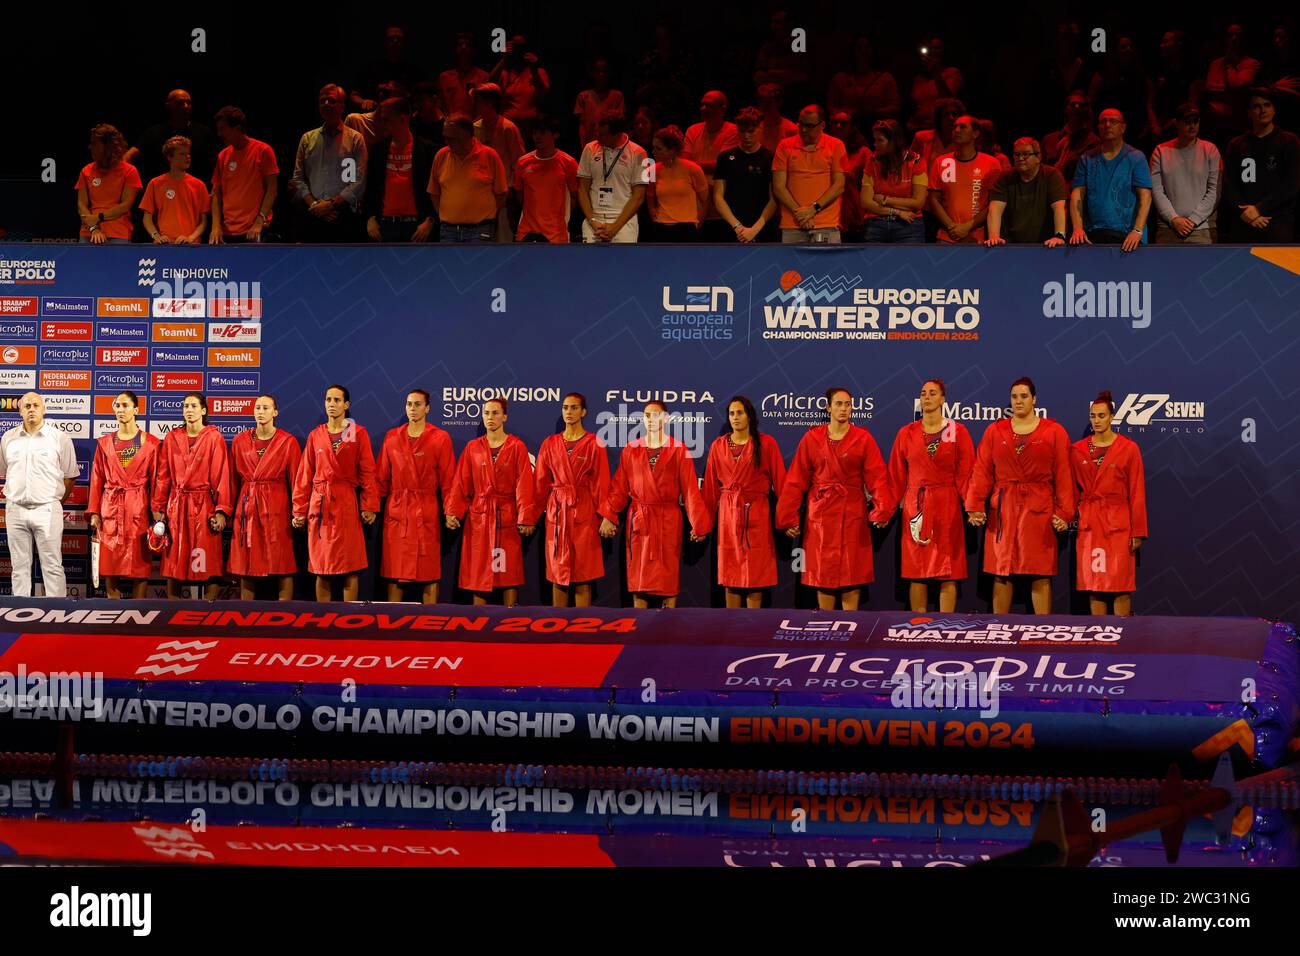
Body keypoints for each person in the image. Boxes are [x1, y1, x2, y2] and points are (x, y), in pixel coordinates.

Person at [775, 387, 895, 610]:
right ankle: (826, 623)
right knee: (823, 572)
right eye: (839, 404)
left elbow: (877, 477)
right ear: (829, 407)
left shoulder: (863, 438)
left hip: (852, 513)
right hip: (820, 515)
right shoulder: (811, 438)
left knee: (852, 572)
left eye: (847, 404)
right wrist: (787, 516)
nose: (843, 409)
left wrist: (882, 509)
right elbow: (795, 480)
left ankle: (850, 625)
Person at [964, 378, 1075, 615]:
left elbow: (1064, 475)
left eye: (1024, 396)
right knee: (1002, 571)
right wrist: (975, 505)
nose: (1019, 401)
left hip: (1039, 507)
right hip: (1004, 508)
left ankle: (1043, 629)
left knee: (1040, 571)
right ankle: (999, 627)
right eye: (1014, 397)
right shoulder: (995, 431)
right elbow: (982, 470)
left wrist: (1064, 512)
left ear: (1034, 399)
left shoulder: (1054, 432)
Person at [599, 401, 711, 608]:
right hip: (639, 520)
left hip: (668, 520)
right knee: (639, 579)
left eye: (656, 415)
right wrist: (609, 516)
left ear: (666, 418)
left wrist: (699, 524)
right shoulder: (631, 449)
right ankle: (639, 627)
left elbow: (690, 491)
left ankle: (668, 629)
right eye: (647, 416)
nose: (651, 420)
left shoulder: (678, 449)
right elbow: (619, 489)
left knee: (668, 578)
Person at [887, 379, 974, 613]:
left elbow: (965, 475)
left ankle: (945, 629)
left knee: (949, 570)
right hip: (916, 508)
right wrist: (884, 510)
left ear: (943, 399)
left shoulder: (956, 432)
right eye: (923, 393)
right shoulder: (906, 433)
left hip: (948, 506)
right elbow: (895, 477)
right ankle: (918, 626)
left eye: (932, 393)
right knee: (917, 568)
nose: (927, 397)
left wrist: (973, 507)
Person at [444, 397, 538, 606]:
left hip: (506, 517)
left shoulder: (517, 447)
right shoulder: (472, 447)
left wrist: (526, 518)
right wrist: (453, 512)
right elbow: (461, 483)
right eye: (486, 413)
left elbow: (524, 485)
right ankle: (479, 621)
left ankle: (509, 619)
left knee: (508, 574)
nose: (490, 418)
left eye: (495, 413)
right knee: (479, 573)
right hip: (479, 518)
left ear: (505, 416)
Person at [291, 385, 379, 602]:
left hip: (346, 504)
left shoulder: (358, 433)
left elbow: (368, 472)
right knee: (322, 567)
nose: (332, 404)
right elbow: (305, 474)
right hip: (320, 504)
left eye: (337, 400)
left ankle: (351, 617)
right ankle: (324, 617)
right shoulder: (316, 435)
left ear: (346, 405)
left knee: (350, 567)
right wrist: (299, 510)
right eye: (329, 400)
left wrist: (369, 505)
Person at [702, 396, 786, 608]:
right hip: (728, 516)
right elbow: (710, 489)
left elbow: (782, 485)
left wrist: (788, 520)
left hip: (756, 513)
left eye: (740, 413)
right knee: (730, 574)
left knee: (755, 575)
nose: (735, 417)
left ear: (749, 415)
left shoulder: (766, 444)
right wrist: (702, 524)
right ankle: (733, 626)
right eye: (731, 413)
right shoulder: (718, 446)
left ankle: (753, 623)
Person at [1070, 390, 1147, 617]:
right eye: (1093, 416)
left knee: (1120, 585)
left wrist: (1138, 531)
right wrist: (1066, 516)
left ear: (1112, 417)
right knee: (1095, 586)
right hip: (1090, 524)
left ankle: (1121, 636)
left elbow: (1137, 492)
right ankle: (1099, 635)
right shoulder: (1077, 450)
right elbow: (1071, 490)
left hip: (1118, 524)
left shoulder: (1129, 448)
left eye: (1101, 416)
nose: (1096, 420)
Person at [377, 389, 456, 604]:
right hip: (397, 510)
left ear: (427, 408)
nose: (413, 409)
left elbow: (449, 480)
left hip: (426, 508)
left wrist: (451, 512)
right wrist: (371, 507)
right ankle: (392, 621)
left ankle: (431, 621)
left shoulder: (440, 438)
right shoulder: (392, 437)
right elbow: (381, 477)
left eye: (418, 404)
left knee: (429, 571)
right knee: (395, 571)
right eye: (409, 404)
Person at [150, 392, 232, 600]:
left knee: (207, 561)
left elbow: (222, 476)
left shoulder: (214, 438)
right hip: (177, 505)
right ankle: (173, 611)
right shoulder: (172, 437)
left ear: (203, 411)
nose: (189, 410)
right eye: (186, 406)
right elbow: (163, 475)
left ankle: (208, 609)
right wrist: (158, 508)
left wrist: (221, 511)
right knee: (174, 562)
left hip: (204, 505)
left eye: (194, 406)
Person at [534, 392, 610, 607]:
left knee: (582, 574)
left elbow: (601, 484)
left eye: (574, 408)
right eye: (566, 407)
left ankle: (582, 626)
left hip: (583, 511)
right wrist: (528, 517)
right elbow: (539, 484)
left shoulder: (594, 443)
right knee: (558, 572)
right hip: (557, 512)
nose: (569, 412)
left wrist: (606, 516)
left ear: (583, 412)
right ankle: (558, 625)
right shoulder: (549, 443)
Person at [0, 393, 78, 597]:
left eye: (36, 405)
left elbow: (70, 476)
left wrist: (53, 501)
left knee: (52, 566)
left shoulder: (60, 438)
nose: (31, 409)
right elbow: (4, 471)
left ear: (44, 409)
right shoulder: (8, 438)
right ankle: (20, 615)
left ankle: (57, 613)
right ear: (20, 411)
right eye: (27, 406)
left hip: (47, 509)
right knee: (19, 568)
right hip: (15, 509)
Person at [87, 391, 160, 599]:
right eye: (117, 405)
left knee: (140, 564)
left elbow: (157, 481)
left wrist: (157, 511)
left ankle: (139, 611)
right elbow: (97, 479)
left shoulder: (151, 443)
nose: (120, 409)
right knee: (110, 565)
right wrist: (94, 512)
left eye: (125, 405)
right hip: (110, 507)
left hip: (138, 508)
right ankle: (113, 610)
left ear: (136, 410)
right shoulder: (105, 443)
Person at [229, 394, 301, 602]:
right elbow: (231, 480)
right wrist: (226, 509)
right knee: (246, 563)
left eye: (266, 408)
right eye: (258, 408)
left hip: (277, 506)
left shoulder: (288, 442)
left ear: (275, 413)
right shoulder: (240, 440)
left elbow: (297, 480)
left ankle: (284, 613)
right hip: (247, 506)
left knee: (282, 562)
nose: (260, 411)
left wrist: (299, 511)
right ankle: (245, 614)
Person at [290, 84, 367, 243]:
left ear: (342, 106)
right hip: (312, 215)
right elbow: (298, 178)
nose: (326, 104)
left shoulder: (354, 139)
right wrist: (315, 205)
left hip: (342, 216)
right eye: (322, 100)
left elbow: (356, 180)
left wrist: (331, 205)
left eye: (331, 100)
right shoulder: (307, 139)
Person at [1221, 88, 1300, 243]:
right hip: (1244, 222)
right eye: (1256, 106)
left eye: (1267, 105)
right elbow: (1228, 184)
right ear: (1249, 112)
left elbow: (1292, 184)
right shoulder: (1237, 144)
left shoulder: (1289, 141)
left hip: (1277, 223)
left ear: (1274, 109)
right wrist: (1245, 213)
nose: (1262, 110)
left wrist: (1259, 209)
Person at [1069, 109, 1153, 251]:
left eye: (1113, 121)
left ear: (1123, 127)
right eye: (1103, 121)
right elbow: (1077, 194)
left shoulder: (1136, 157)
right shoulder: (1087, 158)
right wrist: (1077, 228)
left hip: (1128, 237)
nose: (1107, 125)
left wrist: (1137, 230)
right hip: (1094, 235)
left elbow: (1146, 197)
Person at [364, 97, 436, 243]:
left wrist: (430, 220)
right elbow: (370, 188)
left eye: (387, 120)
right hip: (384, 226)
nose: (382, 123)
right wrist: (370, 218)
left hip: (418, 226)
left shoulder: (428, 150)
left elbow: (437, 190)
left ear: (403, 119)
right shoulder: (378, 150)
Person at [772, 104, 847, 243]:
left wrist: (813, 209)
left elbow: (839, 185)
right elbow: (778, 186)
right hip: (792, 224)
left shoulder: (836, 145)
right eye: (801, 124)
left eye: (810, 126)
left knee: (827, 265)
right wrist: (801, 214)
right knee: (791, 265)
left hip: (826, 224)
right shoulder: (784, 146)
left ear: (822, 125)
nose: (804, 129)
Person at [428, 113, 508, 243]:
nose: (446, 142)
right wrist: (446, 215)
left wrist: (485, 216)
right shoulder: (441, 156)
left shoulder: (489, 155)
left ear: (465, 135)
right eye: (445, 137)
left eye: (451, 138)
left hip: (481, 229)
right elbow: (434, 193)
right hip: (448, 230)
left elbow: (501, 194)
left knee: (479, 263)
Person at [1149, 104, 1221, 244]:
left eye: (1196, 121)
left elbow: (1214, 191)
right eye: (1187, 122)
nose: (1192, 126)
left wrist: (1193, 220)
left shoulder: (1210, 150)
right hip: (1168, 228)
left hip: (1201, 228)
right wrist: (1173, 219)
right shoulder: (1161, 151)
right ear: (1176, 123)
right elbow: (1156, 191)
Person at [123, 89, 219, 189]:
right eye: (180, 103)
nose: (186, 106)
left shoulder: (203, 133)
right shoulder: (154, 133)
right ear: (168, 106)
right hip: (162, 193)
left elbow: (218, 165)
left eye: (189, 103)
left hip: (194, 192)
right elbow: (131, 156)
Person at [577, 110, 648, 243]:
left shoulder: (640, 153)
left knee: (623, 263)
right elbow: (582, 188)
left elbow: (639, 196)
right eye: (597, 132)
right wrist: (592, 220)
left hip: (624, 223)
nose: (597, 137)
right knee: (590, 263)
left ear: (617, 134)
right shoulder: (589, 148)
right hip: (594, 221)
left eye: (602, 135)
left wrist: (615, 227)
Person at [209, 106, 278, 244]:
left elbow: (272, 190)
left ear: (237, 128)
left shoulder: (262, 151)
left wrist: (259, 221)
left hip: (254, 230)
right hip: (228, 231)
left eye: (223, 129)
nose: (219, 134)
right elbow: (216, 194)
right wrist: (216, 226)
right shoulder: (223, 156)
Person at [928, 115, 999, 244]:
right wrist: (952, 227)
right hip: (946, 235)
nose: (956, 130)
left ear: (975, 133)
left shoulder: (991, 164)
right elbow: (933, 199)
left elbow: (994, 203)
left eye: (963, 127)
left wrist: (967, 227)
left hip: (978, 237)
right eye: (954, 127)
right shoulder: (942, 162)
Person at [985, 137, 1068, 246]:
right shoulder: (1005, 177)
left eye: (1025, 154)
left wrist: (1059, 236)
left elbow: (1059, 207)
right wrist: (994, 237)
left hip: (1045, 245)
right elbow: (995, 210)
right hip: (1010, 245)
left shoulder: (1052, 175)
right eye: (1017, 154)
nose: (1020, 158)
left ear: (1038, 157)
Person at [713, 107, 779, 242]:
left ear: (760, 128)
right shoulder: (725, 157)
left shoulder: (770, 158)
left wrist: (755, 229)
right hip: (732, 228)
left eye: (751, 131)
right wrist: (738, 227)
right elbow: (718, 196)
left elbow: (774, 198)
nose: (746, 136)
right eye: (742, 131)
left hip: (763, 228)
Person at [472, 82, 527, 242]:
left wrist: (514, 190)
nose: (475, 105)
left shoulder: (507, 128)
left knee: (503, 235)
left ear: (490, 103)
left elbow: (519, 162)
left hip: (504, 192)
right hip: (480, 191)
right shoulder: (474, 128)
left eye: (478, 101)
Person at [682, 91, 740, 239]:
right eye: (702, 104)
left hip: (721, 207)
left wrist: (694, 166)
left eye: (710, 105)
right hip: (694, 205)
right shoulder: (693, 130)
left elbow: (722, 165)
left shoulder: (733, 131)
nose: (704, 108)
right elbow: (684, 163)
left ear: (723, 108)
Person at [514, 114, 579, 242]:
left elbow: (574, 197)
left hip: (557, 235)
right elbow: (519, 197)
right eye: (535, 133)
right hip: (527, 232)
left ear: (555, 135)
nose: (537, 137)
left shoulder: (568, 163)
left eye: (542, 132)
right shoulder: (522, 163)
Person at [860, 119, 927, 243]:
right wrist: (897, 211)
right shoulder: (873, 161)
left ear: (894, 141)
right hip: (876, 224)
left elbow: (918, 202)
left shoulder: (916, 161)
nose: (875, 144)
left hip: (909, 225)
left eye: (880, 140)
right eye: (875, 140)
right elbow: (866, 202)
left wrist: (885, 200)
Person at [1088, 34, 1158, 148]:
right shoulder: (1103, 74)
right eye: (1123, 47)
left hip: (1135, 133)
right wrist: (1091, 131)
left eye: (1130, 46)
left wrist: (1148, 127)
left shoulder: (1142, 75)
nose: (1128, 49)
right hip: (1107, 131)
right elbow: (1090, 102)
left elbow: (1149, 104)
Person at [140, 136, 211, 244]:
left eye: (188, 154)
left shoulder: (199, 185)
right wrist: (156, 236)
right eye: (182, 154)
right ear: (170, 157)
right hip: (165, 246)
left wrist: (190, 238)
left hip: (191, 247)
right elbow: (147, 218)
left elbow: (203, 222)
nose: (187, 157)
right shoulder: (155, 183)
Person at [77, 125, 140, 244]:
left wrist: (98, 218)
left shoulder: (130, 171)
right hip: (89, 232)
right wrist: (94, 228)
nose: (90, 147)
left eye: (94, 143)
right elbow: (81, 205)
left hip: (118, 232)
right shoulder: (86, 171)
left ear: (108, 146)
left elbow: (125, 206)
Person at [646, 125, 707, 241]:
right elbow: (649, 196)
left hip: (687, 227)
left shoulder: (693, 169)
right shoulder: (652, 170)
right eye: (653, 147)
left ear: (672, 150)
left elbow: (704, 201)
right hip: (661, 227)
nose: (653, 152)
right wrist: (654, 215)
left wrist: (697, 224)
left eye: (658, 149)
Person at [1205, 24, 1262, 145]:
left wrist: (1230, 64)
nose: (1234, 39)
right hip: (1214, 127)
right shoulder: (1215, 64)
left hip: (1237, 126)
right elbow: (1209, 89)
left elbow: (1237, 86)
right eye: (1230, 35)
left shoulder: (1251, 63)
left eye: (1238, 35)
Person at [351, 24, 423, 114]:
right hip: (376, 117)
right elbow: (354, 95)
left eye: (399, 38)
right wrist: (363, 102)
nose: (395, 41)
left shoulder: (413, 71)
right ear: (385, 42)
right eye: (391, 38)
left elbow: (422, 98)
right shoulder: (371, 68)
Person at [827, 35, 900, 123]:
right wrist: (848, 113)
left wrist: (874, 113)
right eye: (858, 47)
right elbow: (831, 106)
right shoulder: (840, 78)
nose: (863, 51)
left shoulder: (885, 78)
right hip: (845, 127)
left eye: (867, 47)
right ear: (852, 51)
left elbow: (894, 107)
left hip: (878, 128)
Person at [487, 34, 550, 131]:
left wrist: (534, 69)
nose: (519, 52)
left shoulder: (538, 72)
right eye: (516, 47)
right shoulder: (505, 73)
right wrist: (503, 60)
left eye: (521, 47)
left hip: (532, 128)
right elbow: (488, 84)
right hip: (508, 127)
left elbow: (545, 96)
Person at [1042, 91, 1100, 184]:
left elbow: (1092, 176)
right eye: (1073, 104)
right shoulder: (1050, 140)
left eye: (1081, 105)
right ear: (1066, 109)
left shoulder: (1092, 142)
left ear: (1086, 111)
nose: (1076, 107)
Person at [908, 36, 963, 134]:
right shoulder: (919, 78)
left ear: (943, 51)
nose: (933, 51)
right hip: (918, 129)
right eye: (930, 48)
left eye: (936, 48)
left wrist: (936, 71)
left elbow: (948, 99)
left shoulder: (952, 73)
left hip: (941, 130)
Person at [829, 111, 869, 239]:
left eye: (843, 123)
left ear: (852, 127)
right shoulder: (825, 149)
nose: (838, 126)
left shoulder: (863, 153)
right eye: (835, 123)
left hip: (854, 215)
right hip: (828, 213)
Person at [574, 57, 625, 149]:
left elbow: (618, 122)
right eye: (598, 71)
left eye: (604, 71)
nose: (601, 74)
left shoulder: (617, 96)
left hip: (611, 145)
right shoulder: (583, 96)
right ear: (592, 73)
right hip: (591, 144)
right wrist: (583, 146)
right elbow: (582, 125)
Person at [439, 32, 489, 119]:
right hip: (451, 127)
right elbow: (440, 105)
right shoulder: (444, 77)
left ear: (473, 50)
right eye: (460, 44)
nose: (463, 47)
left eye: (468, 45)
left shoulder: (483, 77)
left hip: (475, 127)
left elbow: (486, 106)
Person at [756, 83, 798, 155]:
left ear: (779, 102)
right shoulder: (755, 129)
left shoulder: (791, 130)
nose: (764, 106)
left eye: (769, 102)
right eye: (762, 102)